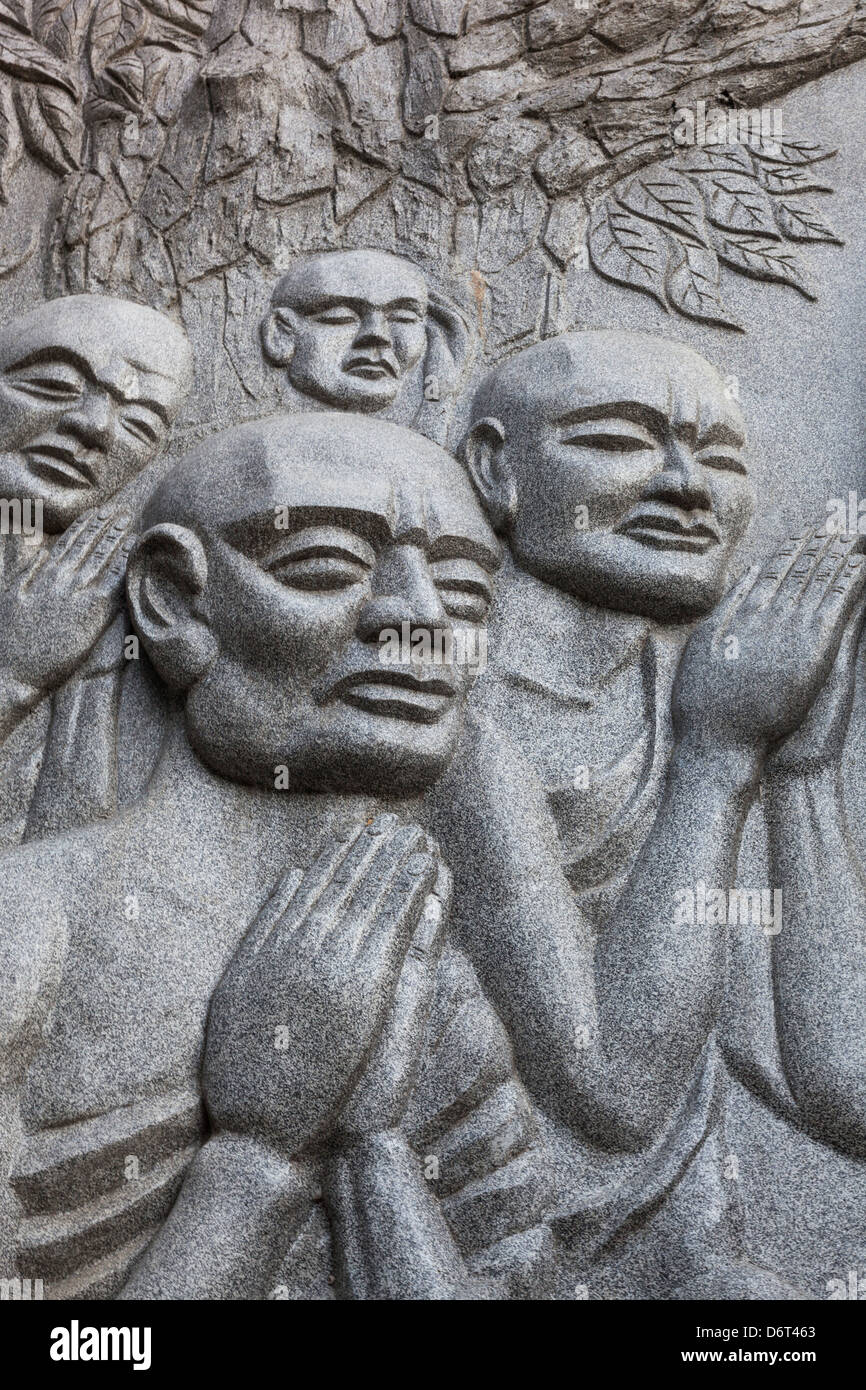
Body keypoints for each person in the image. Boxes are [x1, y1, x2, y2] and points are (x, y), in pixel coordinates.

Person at [4, 413, 547, 1300]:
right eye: (327, 566)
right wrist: (257, 1160)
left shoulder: (426, 971)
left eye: (464, 591)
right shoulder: (29, 929)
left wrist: (372, 1152)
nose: (418, 621)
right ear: (173, 599)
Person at [0, 294, 193, 844]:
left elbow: (66, 858)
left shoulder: (116, 589)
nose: (96, 427)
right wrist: (13, 670)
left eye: (140, 423)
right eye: (55, 386)